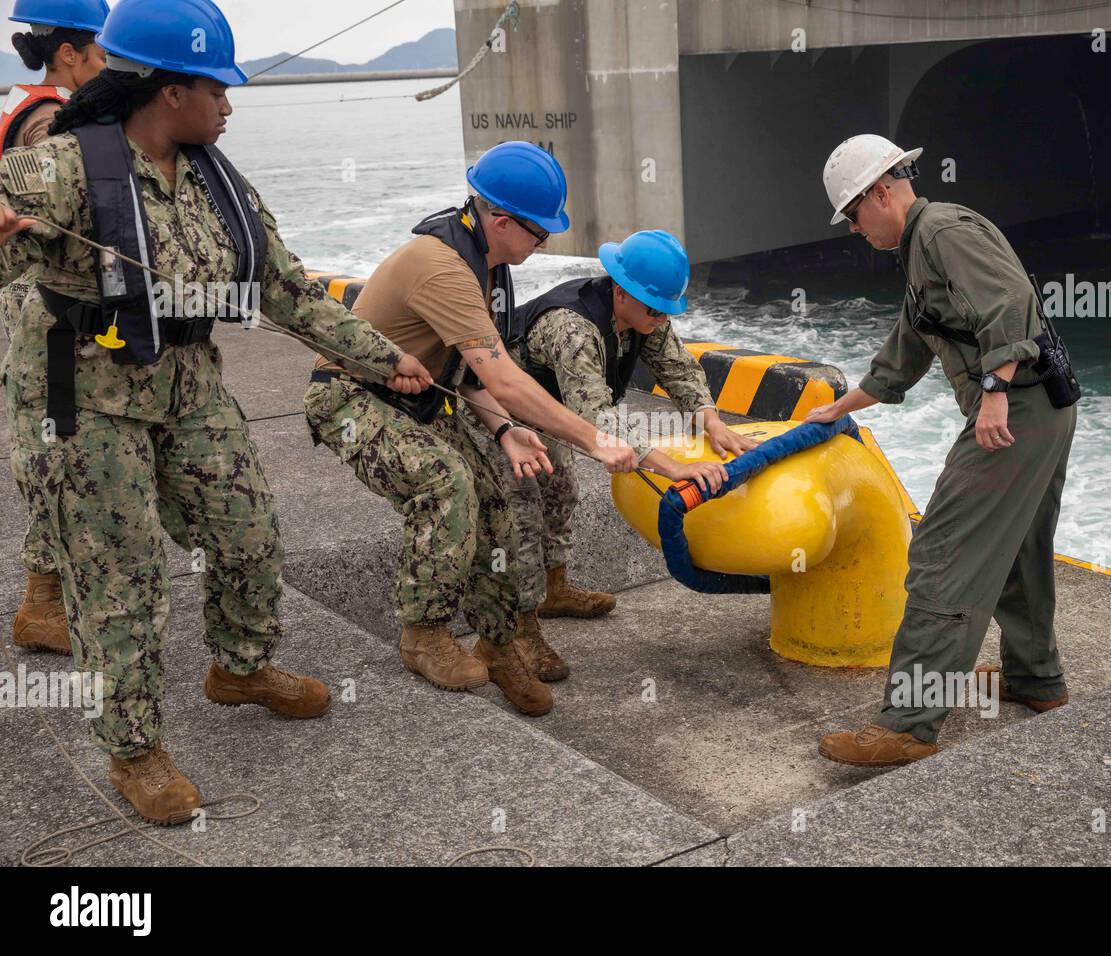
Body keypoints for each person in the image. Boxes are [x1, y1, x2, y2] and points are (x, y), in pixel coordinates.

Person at [0, 0, 433, 825]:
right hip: (85, 397)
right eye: (218, 89)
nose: (232, 105)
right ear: (168, 92)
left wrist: (385, 357)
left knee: (249, 533)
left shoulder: (218, 180)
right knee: (120, 580)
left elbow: (291, 293)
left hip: (187, 384)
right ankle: (135, 751)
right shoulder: (58, 169)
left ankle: (239, 667)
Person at [304, 141, 639, 717]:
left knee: (498, 499)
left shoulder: (483, 261)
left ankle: (499, 638)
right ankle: (425, 633)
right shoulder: (445, 268)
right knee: (446, 483)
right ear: (503, 222)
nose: (544, 244)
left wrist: (506, 430)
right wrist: (595, 439)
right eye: (541, 234)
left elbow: (469, 378)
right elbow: (504, 378)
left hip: (421, 399)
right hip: (352, 399)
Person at [810, 134, 1076, 767]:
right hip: (1042, 409)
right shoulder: (922, 246)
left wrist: (993, 393)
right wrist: (841, 407)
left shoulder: (941, 231)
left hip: (1016, 410)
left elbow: (1008, 302)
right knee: (1017, 548)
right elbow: (909, 347)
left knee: (942, 551)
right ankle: (1036, 680)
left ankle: (908, 723)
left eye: (852, 214)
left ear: (881, 193)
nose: (853, 228)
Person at [488, 229, 753, 678]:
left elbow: (678, 366)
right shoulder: (573, 328)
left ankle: (553, 590)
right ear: (621, 290)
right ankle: (520, 630)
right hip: (502, 412)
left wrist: (710, 420)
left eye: (666, 309)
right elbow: (596, 418)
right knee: (520, 514)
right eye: (654, 309)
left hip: (553, 411)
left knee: (561, 491)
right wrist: (673, 468)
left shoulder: (644, 314)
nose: (660, 317)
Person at [3, 0, 108, 655]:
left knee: (56, 459)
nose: (104, 66)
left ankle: (49, 601)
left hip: (31, 314)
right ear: (67, 53)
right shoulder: (49, 123)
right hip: (51, 323)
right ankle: (41, 607)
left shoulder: (23, 106)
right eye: (99, 54)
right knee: (58, 460)